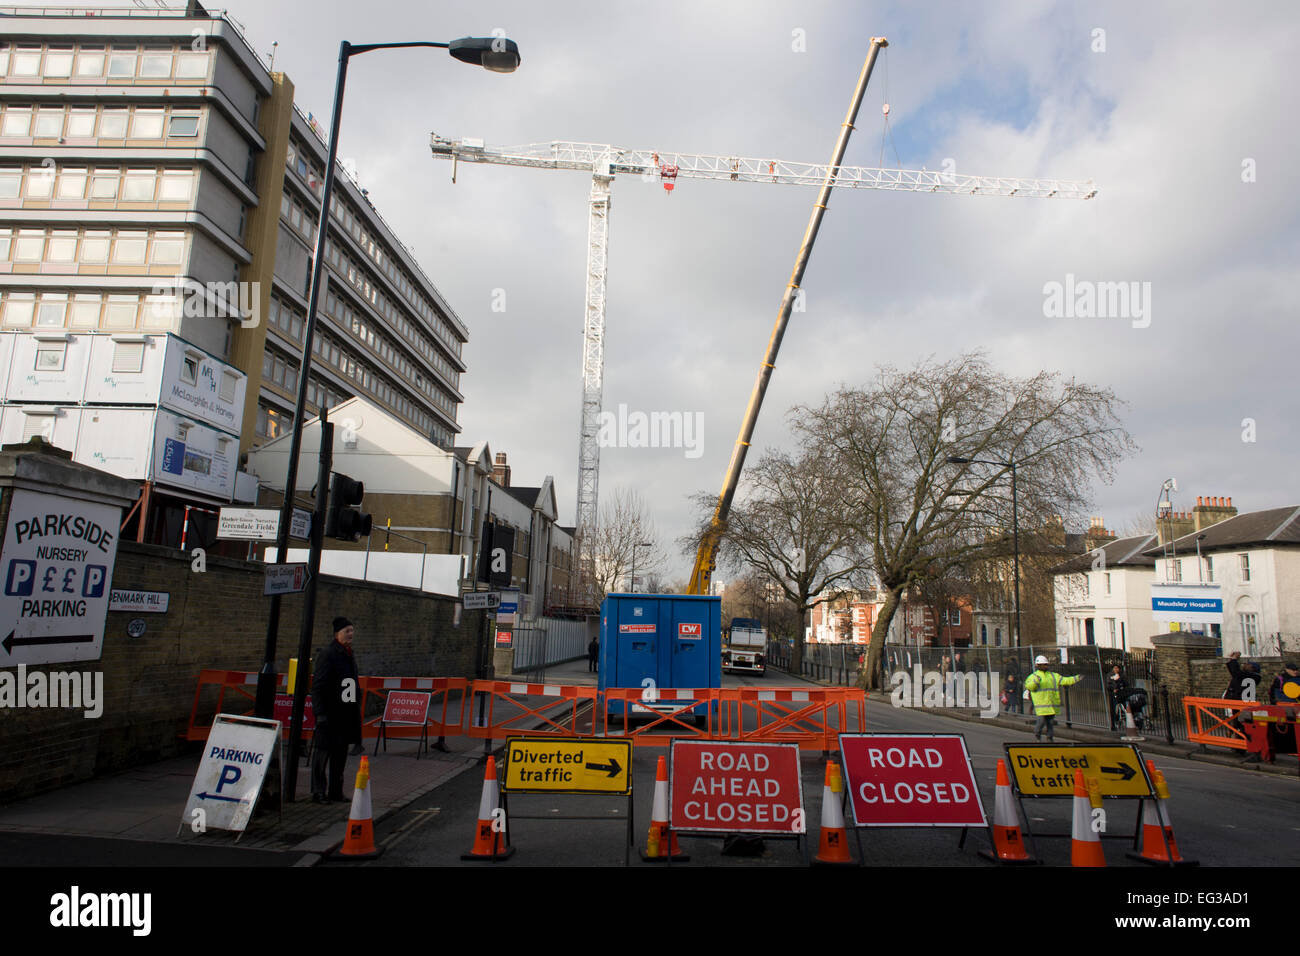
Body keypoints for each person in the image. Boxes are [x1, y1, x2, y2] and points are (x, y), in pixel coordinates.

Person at [311, 616, 362, 804]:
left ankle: (335, 792)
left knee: (340, 756)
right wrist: (320, 713)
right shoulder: (328, 654)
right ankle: (318, 792)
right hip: (329, 713)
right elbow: (318, 686)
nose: (350, 634)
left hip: (345, 714)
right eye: (347, 631)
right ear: (336, 634)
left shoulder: (348, 653)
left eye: (352, 630)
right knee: (322, 753)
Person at [1023, 654, 1083, 742]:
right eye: (1043, 664)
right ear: (1038, 666)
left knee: (1050, 723)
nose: (1045, 666)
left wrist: (1076, 678)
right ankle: (1037, 734)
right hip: (1042, 705)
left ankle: (1049, 738)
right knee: (1041, 721)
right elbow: (1030, 687)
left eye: (1046, 664)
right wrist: (1035, 682)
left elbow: (1065, 680)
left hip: (1052, 705)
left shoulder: (1054, 675)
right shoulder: (1033, 677)